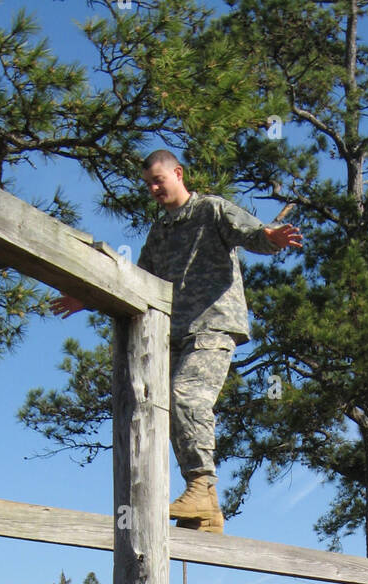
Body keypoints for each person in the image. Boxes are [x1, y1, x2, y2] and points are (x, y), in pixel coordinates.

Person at [54, 151, 302, 533]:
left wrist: (269, 237)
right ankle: (207, 512)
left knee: (187, 395)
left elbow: (251, 232)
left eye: (159, 180)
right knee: (161, 404)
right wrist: (89, 296)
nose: (154, 189)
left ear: (178, 174)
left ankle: (201, 486)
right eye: (148, 184)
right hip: (174, 331)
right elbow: (139, 279)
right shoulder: (161, 232)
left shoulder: (211, 210)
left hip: (215, 323)